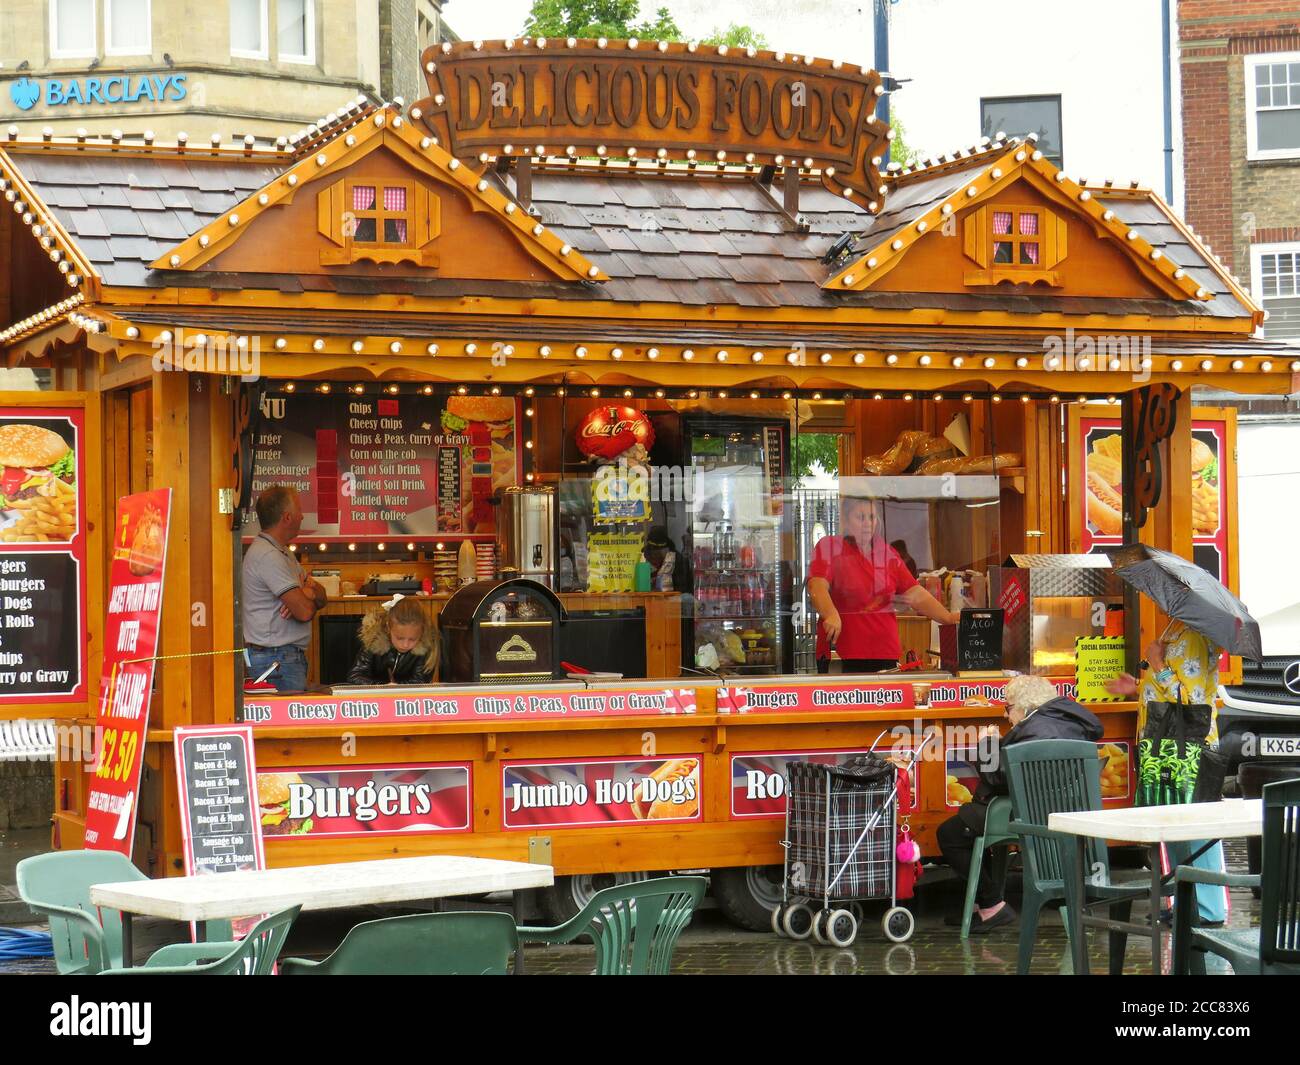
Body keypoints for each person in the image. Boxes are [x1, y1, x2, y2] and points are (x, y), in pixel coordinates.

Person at [937, 674, 1104, 932]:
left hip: (1029, 813)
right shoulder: (1067, 722)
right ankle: (980, 904)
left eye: (1008, 707)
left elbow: (998, 777)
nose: (1005, 714)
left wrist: (987, 744)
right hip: (1062, 809)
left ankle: (991, 905)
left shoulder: (1037, 731)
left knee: (950, 833)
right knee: (969, 825)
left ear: (1025, 706)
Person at [1106, 622, 1228, 925]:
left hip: (1192, 751)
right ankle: (1185, 904)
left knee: (1197, 827)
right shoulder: (1175, 632)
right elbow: (1170, 691)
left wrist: (1158, 665)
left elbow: (1191, 699)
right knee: (1174, 826)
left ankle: (1208, 909)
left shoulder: (1194, 637)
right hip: (1169, 750)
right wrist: (1139, 686)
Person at [807, 497, 958, 673]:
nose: (867, 523)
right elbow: (816, 586)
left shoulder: (887, 553)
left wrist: (948, 618)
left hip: (885, 652)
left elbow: (915, 594)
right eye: (860, 517)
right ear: (846, 521)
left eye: (872, 517)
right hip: (844, 653)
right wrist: (830, 614)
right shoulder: (830, 547)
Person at [242, 486, 326, 692]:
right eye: (299, 510)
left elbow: (322, 596)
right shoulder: (268, 556)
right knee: (288, 713)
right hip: (276, 660)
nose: (303, 516)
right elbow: (305, 611)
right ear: (287, 517)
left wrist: (307, 592)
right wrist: (304, 594)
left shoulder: (282, 553)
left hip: (280, 658)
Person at [346, 596, 438, 685]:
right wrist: (383, 687)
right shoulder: (373, 640)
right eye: (400, 638)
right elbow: (354, 676)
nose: (405, 645)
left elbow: (420, 682)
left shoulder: (426, 646)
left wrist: (395, 687)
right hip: (375, 694)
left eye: (412, 639)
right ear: (388, 628)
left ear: (421, 633)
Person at [643, 526, 691, 593]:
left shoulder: (677, 559)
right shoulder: (643, 557)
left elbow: (681, 588)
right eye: (653, 550)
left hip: (672, 596)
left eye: (658, 550)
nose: (655, 554)